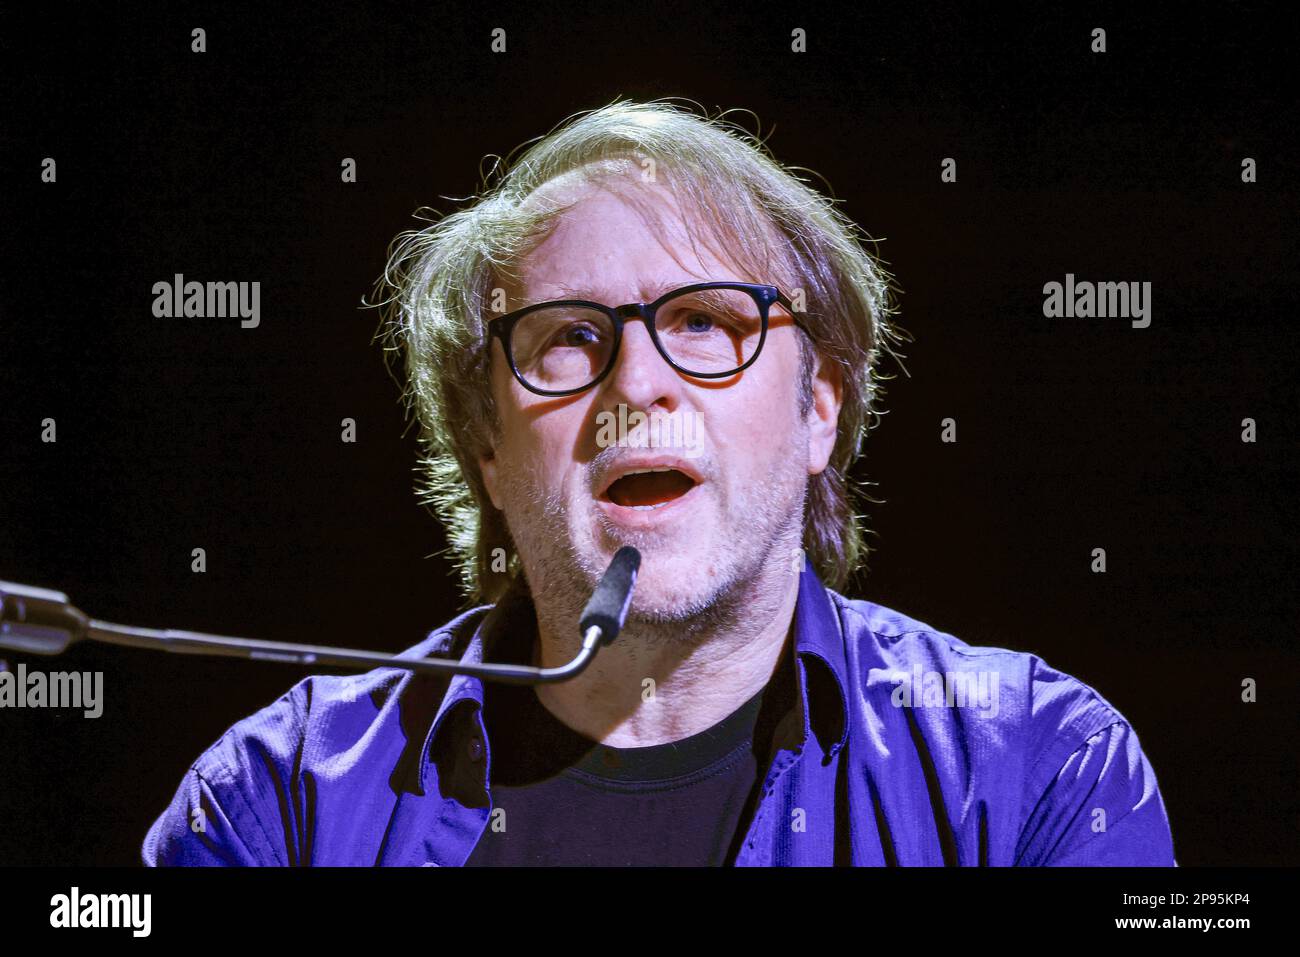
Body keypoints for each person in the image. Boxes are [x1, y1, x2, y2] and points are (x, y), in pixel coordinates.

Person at [142, 99, 1176, 866]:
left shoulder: (1040, 771)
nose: (636, 384)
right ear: (487, 448)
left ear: (818, 408)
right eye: (566, 338)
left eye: (705, 323)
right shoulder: (275, 805)